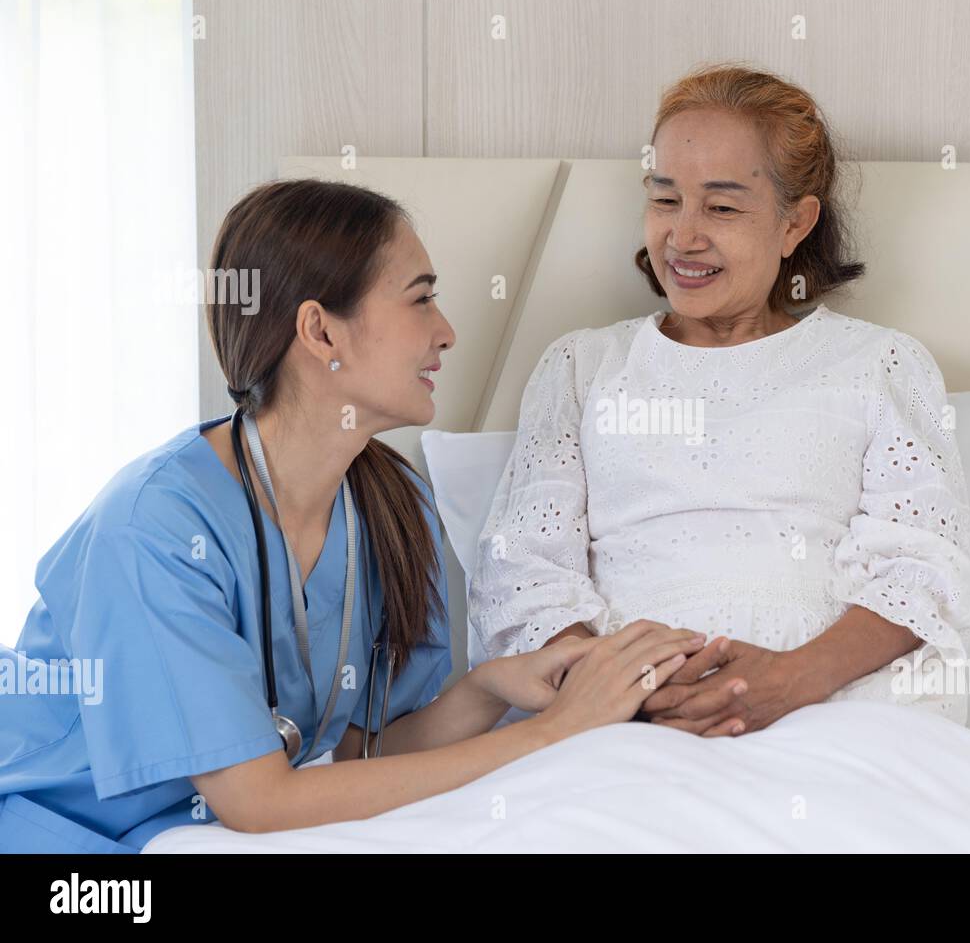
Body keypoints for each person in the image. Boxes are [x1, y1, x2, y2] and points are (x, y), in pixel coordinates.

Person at [0, 178, 705, 853]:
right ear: (321, 331)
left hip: (190, 830)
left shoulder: (391, 505)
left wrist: (490, 689)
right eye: (421, 299)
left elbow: (362, 753)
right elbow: (258, 802)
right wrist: (554, 734)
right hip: (51, 823)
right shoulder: (154, 527)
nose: (448, 332)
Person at [470, 64, 970, 737]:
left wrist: (786, 683)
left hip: (839, 711)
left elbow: (922, 569)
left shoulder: (882, 365)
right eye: (664, 199)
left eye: (723, 206)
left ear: (795, 223)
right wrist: (636, 692)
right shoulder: (581, 368)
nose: (684, 237)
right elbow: (524, 566)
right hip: (625, 721)